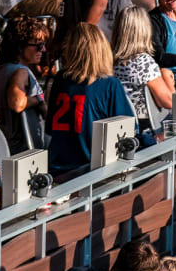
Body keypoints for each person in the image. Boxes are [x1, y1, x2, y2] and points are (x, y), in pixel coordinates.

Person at [45, 25, 135, 177]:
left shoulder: (61, 79)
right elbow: (127, 133)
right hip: (91, 171)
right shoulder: (109, 85)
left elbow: (49, 129)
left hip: (57, 168)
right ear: (102, 49)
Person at [0, 15, 49, 154]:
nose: (43, 50)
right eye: (38, 46)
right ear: (20, 46)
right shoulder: (21, 72)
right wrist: (39, 99)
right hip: (26, 150)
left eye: (44, 45)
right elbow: (16, 103)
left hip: (9, 143)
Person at [113, 6, 173, 132]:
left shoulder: (110, 60)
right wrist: (167, 78)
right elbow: (168, 102)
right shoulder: (143, 62)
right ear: (144, 29)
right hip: (146, 127)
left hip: (119, 124)